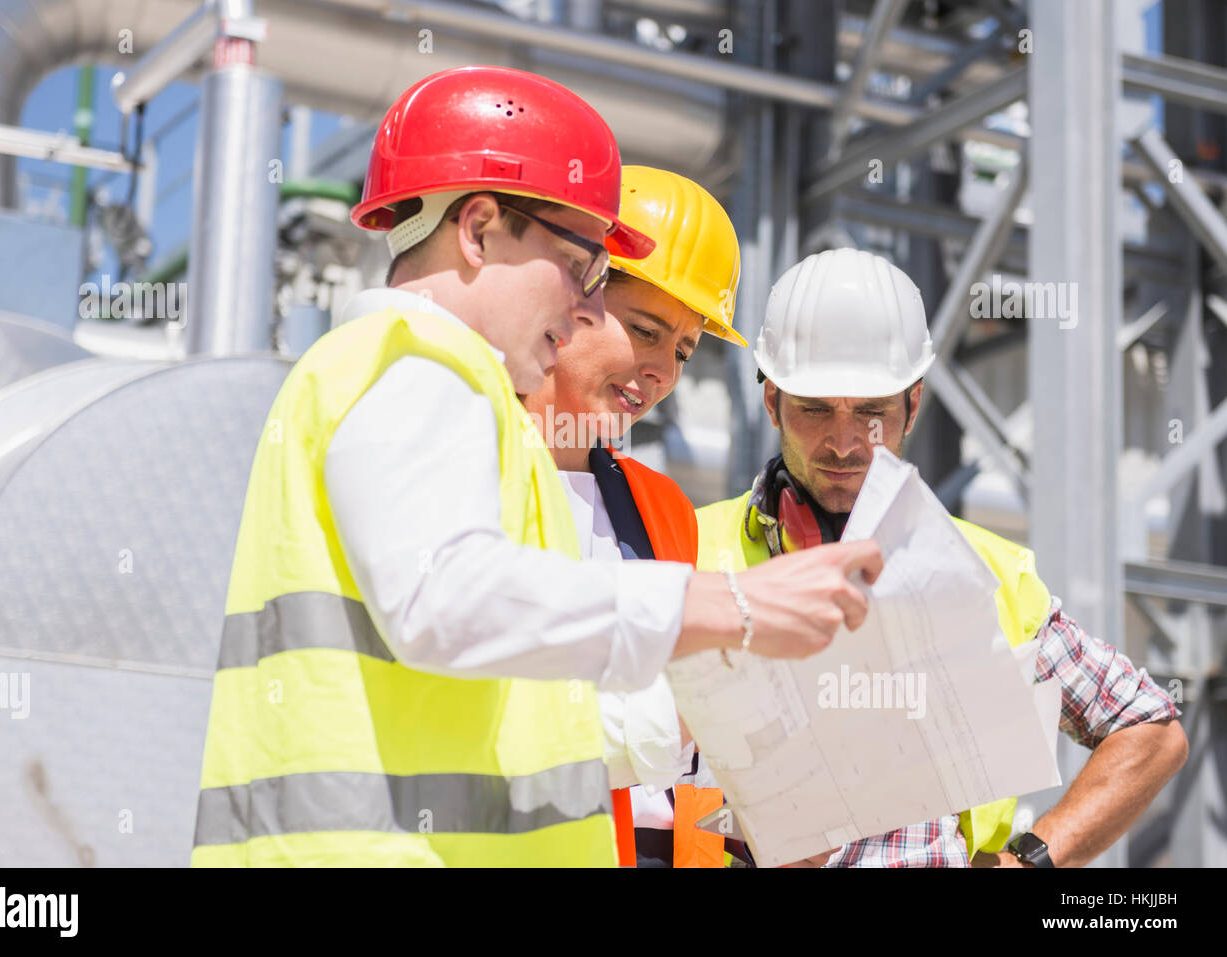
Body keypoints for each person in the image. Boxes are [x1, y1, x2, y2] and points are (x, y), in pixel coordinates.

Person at [191, 67, 884, 867]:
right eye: (583, 265)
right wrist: (726, 603)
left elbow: (522, 724)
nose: (584, 303)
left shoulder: (436, 392)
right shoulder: (418, 364)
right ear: (480, 229)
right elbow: (443, 599)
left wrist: (696, 716)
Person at [694, 247, 1188, 867]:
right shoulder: (691, 552)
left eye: (871, 411)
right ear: (772, 403)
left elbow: (1148, 728)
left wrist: (1027, 862)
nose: (844, 442)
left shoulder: (983, 573)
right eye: (815, 408)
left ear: (912, 405)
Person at [521, 165, 747, 867]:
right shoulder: (478, 460)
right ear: (570, 291)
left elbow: (690, 761)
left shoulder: (661, 508)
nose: (661, 371)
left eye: (683, 349)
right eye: (646, 329)